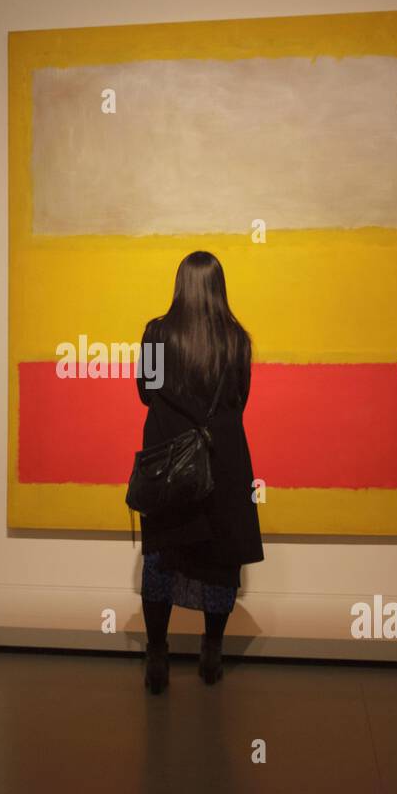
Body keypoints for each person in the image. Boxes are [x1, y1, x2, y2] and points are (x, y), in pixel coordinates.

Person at [135, 250, 263, 693]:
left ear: (180, 285)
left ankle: (157, 655)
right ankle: (212, 652)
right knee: (219, 559)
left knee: (162, 556)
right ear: (218, 287)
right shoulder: (237, 341)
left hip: (169, 464)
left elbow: (145, 391)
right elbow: (241, 398)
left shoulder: (156, 334)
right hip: (223, 462)